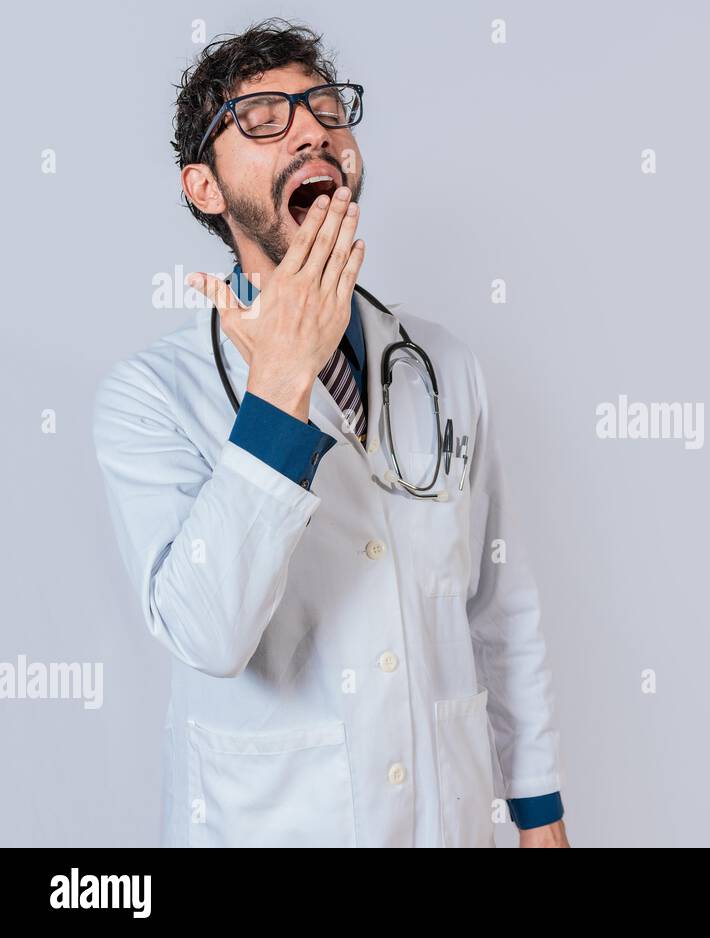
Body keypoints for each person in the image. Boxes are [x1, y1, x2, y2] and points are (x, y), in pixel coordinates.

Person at [92, 18, 568, 847]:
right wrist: (278, 389)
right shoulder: (149, 397)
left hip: (445, 822)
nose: (311, 127)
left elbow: (501, 606)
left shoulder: (443, 363)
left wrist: (538, 809)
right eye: (265, 119)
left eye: (322, 107)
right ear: (204, 187)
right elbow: (207, 633)